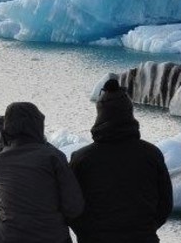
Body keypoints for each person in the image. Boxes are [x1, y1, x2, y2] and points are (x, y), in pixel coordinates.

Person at [70, 79, 173, 243]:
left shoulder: (82, 158)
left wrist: (87, 233)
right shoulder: (151, 154)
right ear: (129, 112)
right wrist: (147, 228)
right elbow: (165, 203)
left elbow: (71, 206)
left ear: (100, 114)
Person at [0, 102, 84, 243]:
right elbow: (74, 207)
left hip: (7, 238)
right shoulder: (53, 157)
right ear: (38, 124)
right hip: (51, 237)